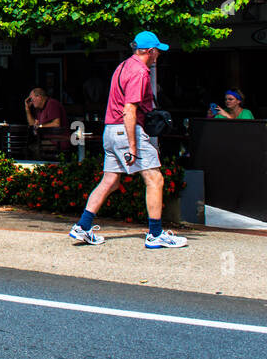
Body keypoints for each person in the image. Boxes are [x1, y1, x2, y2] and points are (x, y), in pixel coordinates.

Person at [69, 31, 185, 249]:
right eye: (157, 51)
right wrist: (133, 145)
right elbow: (129, 110)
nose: (158, 55)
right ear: (149, 52)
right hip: (127, 131)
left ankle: (82, 227)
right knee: (155, 179)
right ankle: (156, 234)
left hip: (110, 131)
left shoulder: (122, 67)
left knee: (110, 181)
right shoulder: (140, 73)